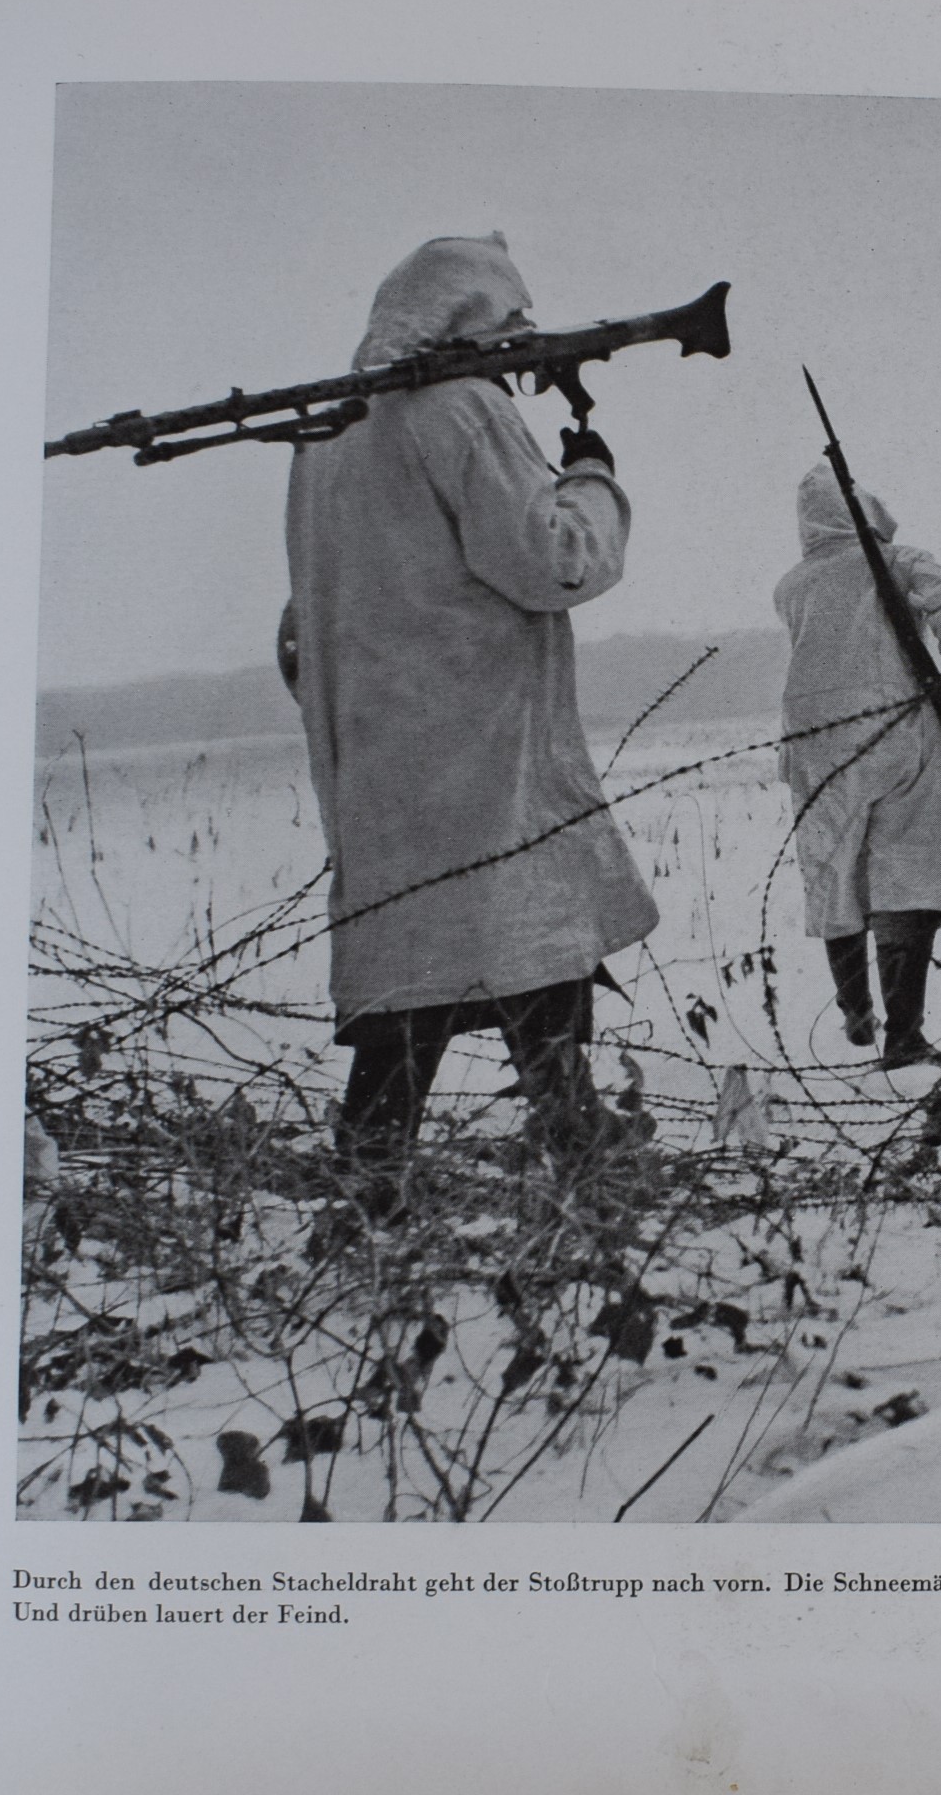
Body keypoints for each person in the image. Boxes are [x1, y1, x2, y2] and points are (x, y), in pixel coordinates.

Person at [278, 234, 655, 1188]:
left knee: (451, 942)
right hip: (475, 729)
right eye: (513, 324)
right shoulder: (459, 410)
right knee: (508, 917)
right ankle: (392, 1158)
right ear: (470, 322)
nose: (523, 343)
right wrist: (594, 478)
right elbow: (552, 559)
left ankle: (554, 1129)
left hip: (379, 737)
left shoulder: (330, 431)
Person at [775, 465, 941, 1070]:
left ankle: (855, 1011)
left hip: (813, 741)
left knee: (834, 872)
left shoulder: (790, 586)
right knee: (907, 874)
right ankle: (904, 1034)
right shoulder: (897, 561)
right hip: (901, 730)